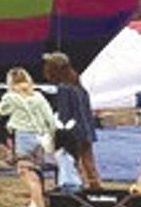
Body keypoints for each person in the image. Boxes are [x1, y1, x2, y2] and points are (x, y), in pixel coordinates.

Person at [0, 67, 56, 207]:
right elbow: (49, 118)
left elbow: (2, 111)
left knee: (26, 173)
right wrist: (51, 136)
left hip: (23, 136)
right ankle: (34, 205)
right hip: (40, 137)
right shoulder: (38, 96)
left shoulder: (10, 97)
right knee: (36, 172)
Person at [42, 52, 101, 189]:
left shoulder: (63, 89)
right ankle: (95, 189)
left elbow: (64, 115)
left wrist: (59, 134)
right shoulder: (79, 87)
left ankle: (73, 190)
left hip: (72, 133)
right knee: (89, 164)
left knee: (69, 163)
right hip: (86, 131)